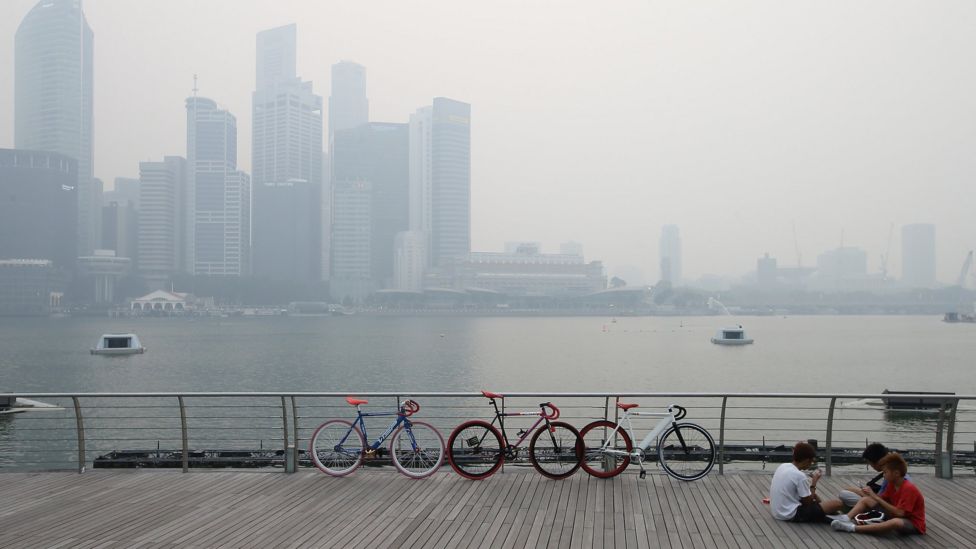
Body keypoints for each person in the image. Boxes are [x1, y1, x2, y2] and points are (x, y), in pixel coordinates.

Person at [831, 452, 925, 535]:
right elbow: (882, 500)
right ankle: (846, 518)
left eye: (885, 472)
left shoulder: (908, 488)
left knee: (895, 522)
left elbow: (900, 513)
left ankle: (852, 528)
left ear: (896, 473)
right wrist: (871, 496)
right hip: (894, 514)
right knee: (866, 500)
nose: (883, 475)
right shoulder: (892, 484)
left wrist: (876, 498)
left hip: (912, 523)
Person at [769, 441, 844, 523]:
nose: (811, 464)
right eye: (811, 461)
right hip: (792, 514)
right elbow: (808, 502)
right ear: (806, 460)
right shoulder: (800, 476)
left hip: (777, 512)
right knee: (838, 504)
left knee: (820, 501)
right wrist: (814, 482)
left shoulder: (783, 466)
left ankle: (828, 515)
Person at [838, 442, 889, 508]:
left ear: (876, 462)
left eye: (869, 463)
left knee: (844, 494)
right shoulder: (890, 471)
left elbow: (880, 500)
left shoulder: (889, 476)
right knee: (846, 491)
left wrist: (861, 492)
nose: (870, 465)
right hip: (878, 499)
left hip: (882, 505)